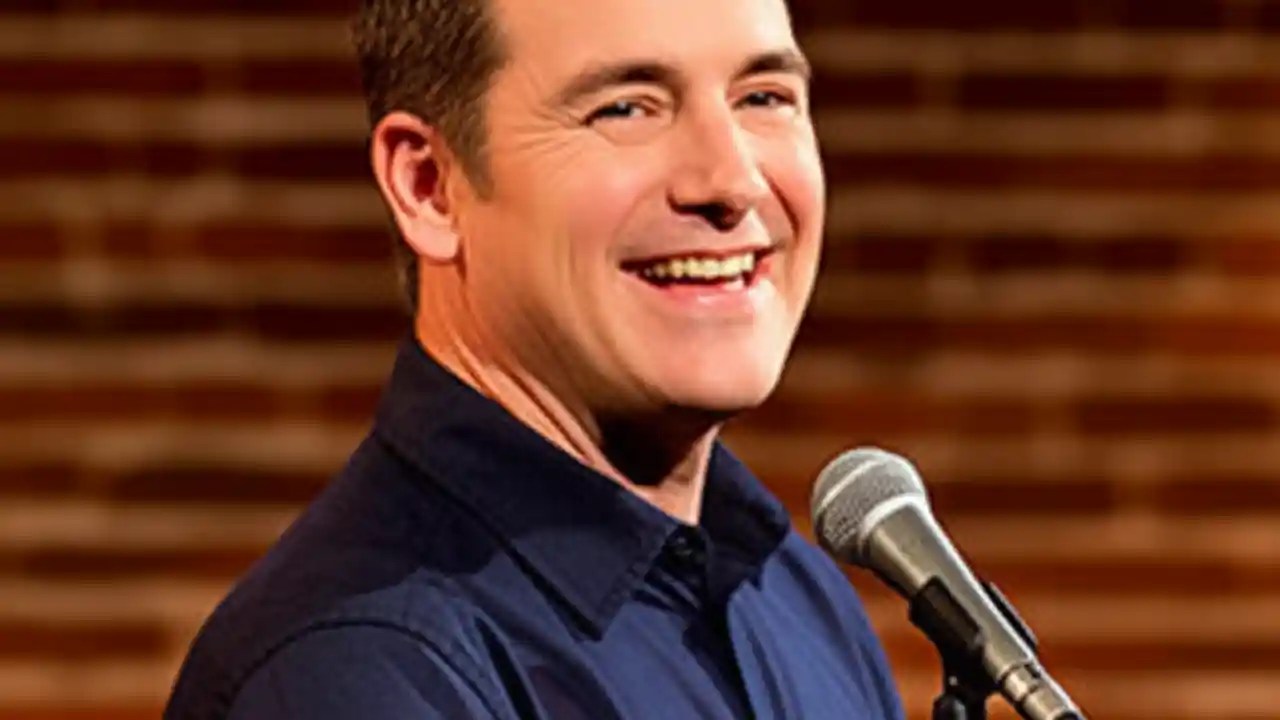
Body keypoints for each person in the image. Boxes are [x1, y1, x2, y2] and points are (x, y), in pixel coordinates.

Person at [164, 0, 905, 717]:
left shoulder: (796, 596)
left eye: (765, 97)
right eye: (626, 108)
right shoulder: (355, 672)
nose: (731, 181)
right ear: (428, 187)